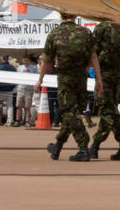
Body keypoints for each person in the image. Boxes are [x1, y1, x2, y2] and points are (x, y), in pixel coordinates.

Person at [36, 15, 97, 161]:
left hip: (65, 79)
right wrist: (98, 80)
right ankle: (57, 147)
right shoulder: (86, 33)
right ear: (75, 16)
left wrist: (40, 80)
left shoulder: (55, 34)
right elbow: (94, 58)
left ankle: (83, 148)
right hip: (82, 79)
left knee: (70, 113)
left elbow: (46, 60)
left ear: (60, 15)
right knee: (73, 114)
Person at [89, 20, 120, 160]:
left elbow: (93, 53)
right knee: (110, 110)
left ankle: (102, 144)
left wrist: (97, 78)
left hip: (104, 74)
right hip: (118, 75)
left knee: (107, 111)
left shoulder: (101, 28)